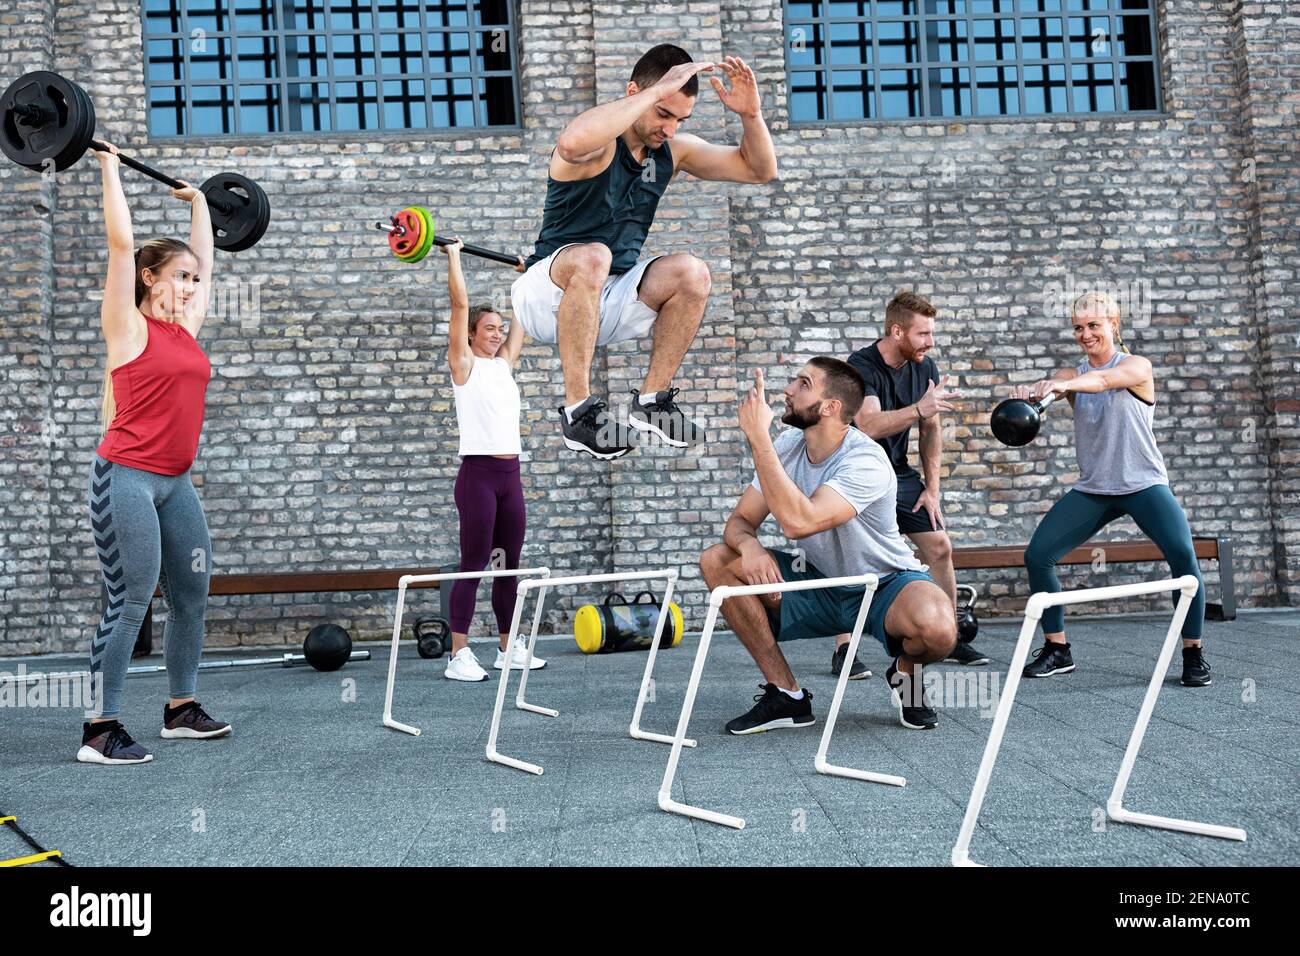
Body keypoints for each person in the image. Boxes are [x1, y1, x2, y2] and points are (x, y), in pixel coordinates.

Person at [511, 43, 778, 459]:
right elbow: (569, 141)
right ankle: (577, 413)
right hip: (547, 293)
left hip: (609, 299)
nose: (669, 129)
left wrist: (750, 115)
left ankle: (651, 402)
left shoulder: (670, 152)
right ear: (635, 93)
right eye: (663, 113)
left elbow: (760, 170)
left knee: (693, 272)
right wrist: (650, 96)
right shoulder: (598, 148)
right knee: (594, 255)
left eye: (680, 119)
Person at [700, 360, 958, 733]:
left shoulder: (865, 459)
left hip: (883, 585)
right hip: (817, 581)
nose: (788, 389)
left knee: (939, 629)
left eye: (803, 384)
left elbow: (800, 522)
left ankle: (906, 672)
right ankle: (786, 695)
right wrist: (749, 546)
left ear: (830, 407)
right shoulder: (788, 446)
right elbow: (739, 523)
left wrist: (758, 439)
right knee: (718, 561)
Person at [79, 143, 230, 765]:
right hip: (127, 479)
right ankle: (99, 727)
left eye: (194, 280)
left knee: (192, 591)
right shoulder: (128, 326)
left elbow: (211, 264)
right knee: (131, 598)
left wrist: (200, 205)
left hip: (176, 482)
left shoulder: (182, 329)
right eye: (181, 277)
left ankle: (180, 709)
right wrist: (110, 169)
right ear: (149, 278)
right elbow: (121, 247)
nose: (193, 287)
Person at [1013, 291, 1212, 687]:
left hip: (1143, 484)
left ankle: (1193, 653)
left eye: (1093, 325)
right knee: (1038, 555)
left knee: (1183, 558)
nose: (1085, 334)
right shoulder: (1073, 375)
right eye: (1078, 327)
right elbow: (1069, 380)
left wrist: (1063, 384)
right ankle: (1058, 649)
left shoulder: (1137, 367)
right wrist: (1042, 391)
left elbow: (1103, 380)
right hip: (1095, 489)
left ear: (1113, 325)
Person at [846, 290, 991, 672]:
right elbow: (869, 424)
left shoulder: (926, 368)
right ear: (897, 331)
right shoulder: (860, 367)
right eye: (923, 334)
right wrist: (918, 408)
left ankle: (950, 636)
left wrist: (932, 489)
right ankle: (845, 647)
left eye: (931, 333)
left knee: (939, 546)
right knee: (851, 557)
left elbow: (930, 429)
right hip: (855, 476)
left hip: (899, 474)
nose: (930, 341)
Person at [438, 239, 545, 682]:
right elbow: (459, 304)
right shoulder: (463, 364)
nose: (498, 333)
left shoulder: (503, 365)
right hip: (478, 475)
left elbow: (524, 316)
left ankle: (507, 647)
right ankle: (458, 654)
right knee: (474, 561)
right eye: (489, 328)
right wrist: (454, 256)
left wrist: (530, 275)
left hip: (510, 475)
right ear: (471, 334)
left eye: (499, 328)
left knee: (509, 563)